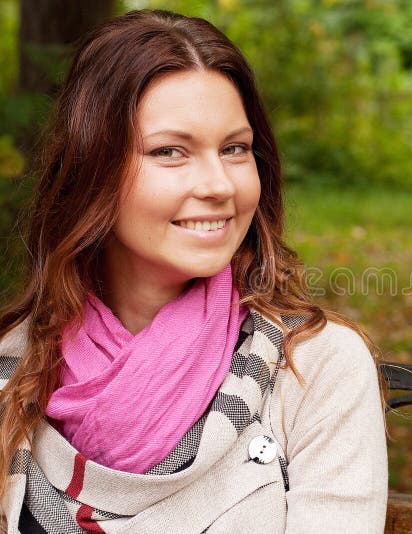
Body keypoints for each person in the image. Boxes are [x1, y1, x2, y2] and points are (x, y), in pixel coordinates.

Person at [0, 9, 387, 533]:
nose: (219, 185)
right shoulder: (15, 369)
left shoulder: (316, 368)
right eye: (170, 152)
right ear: (92, 171)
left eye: (234, 149)